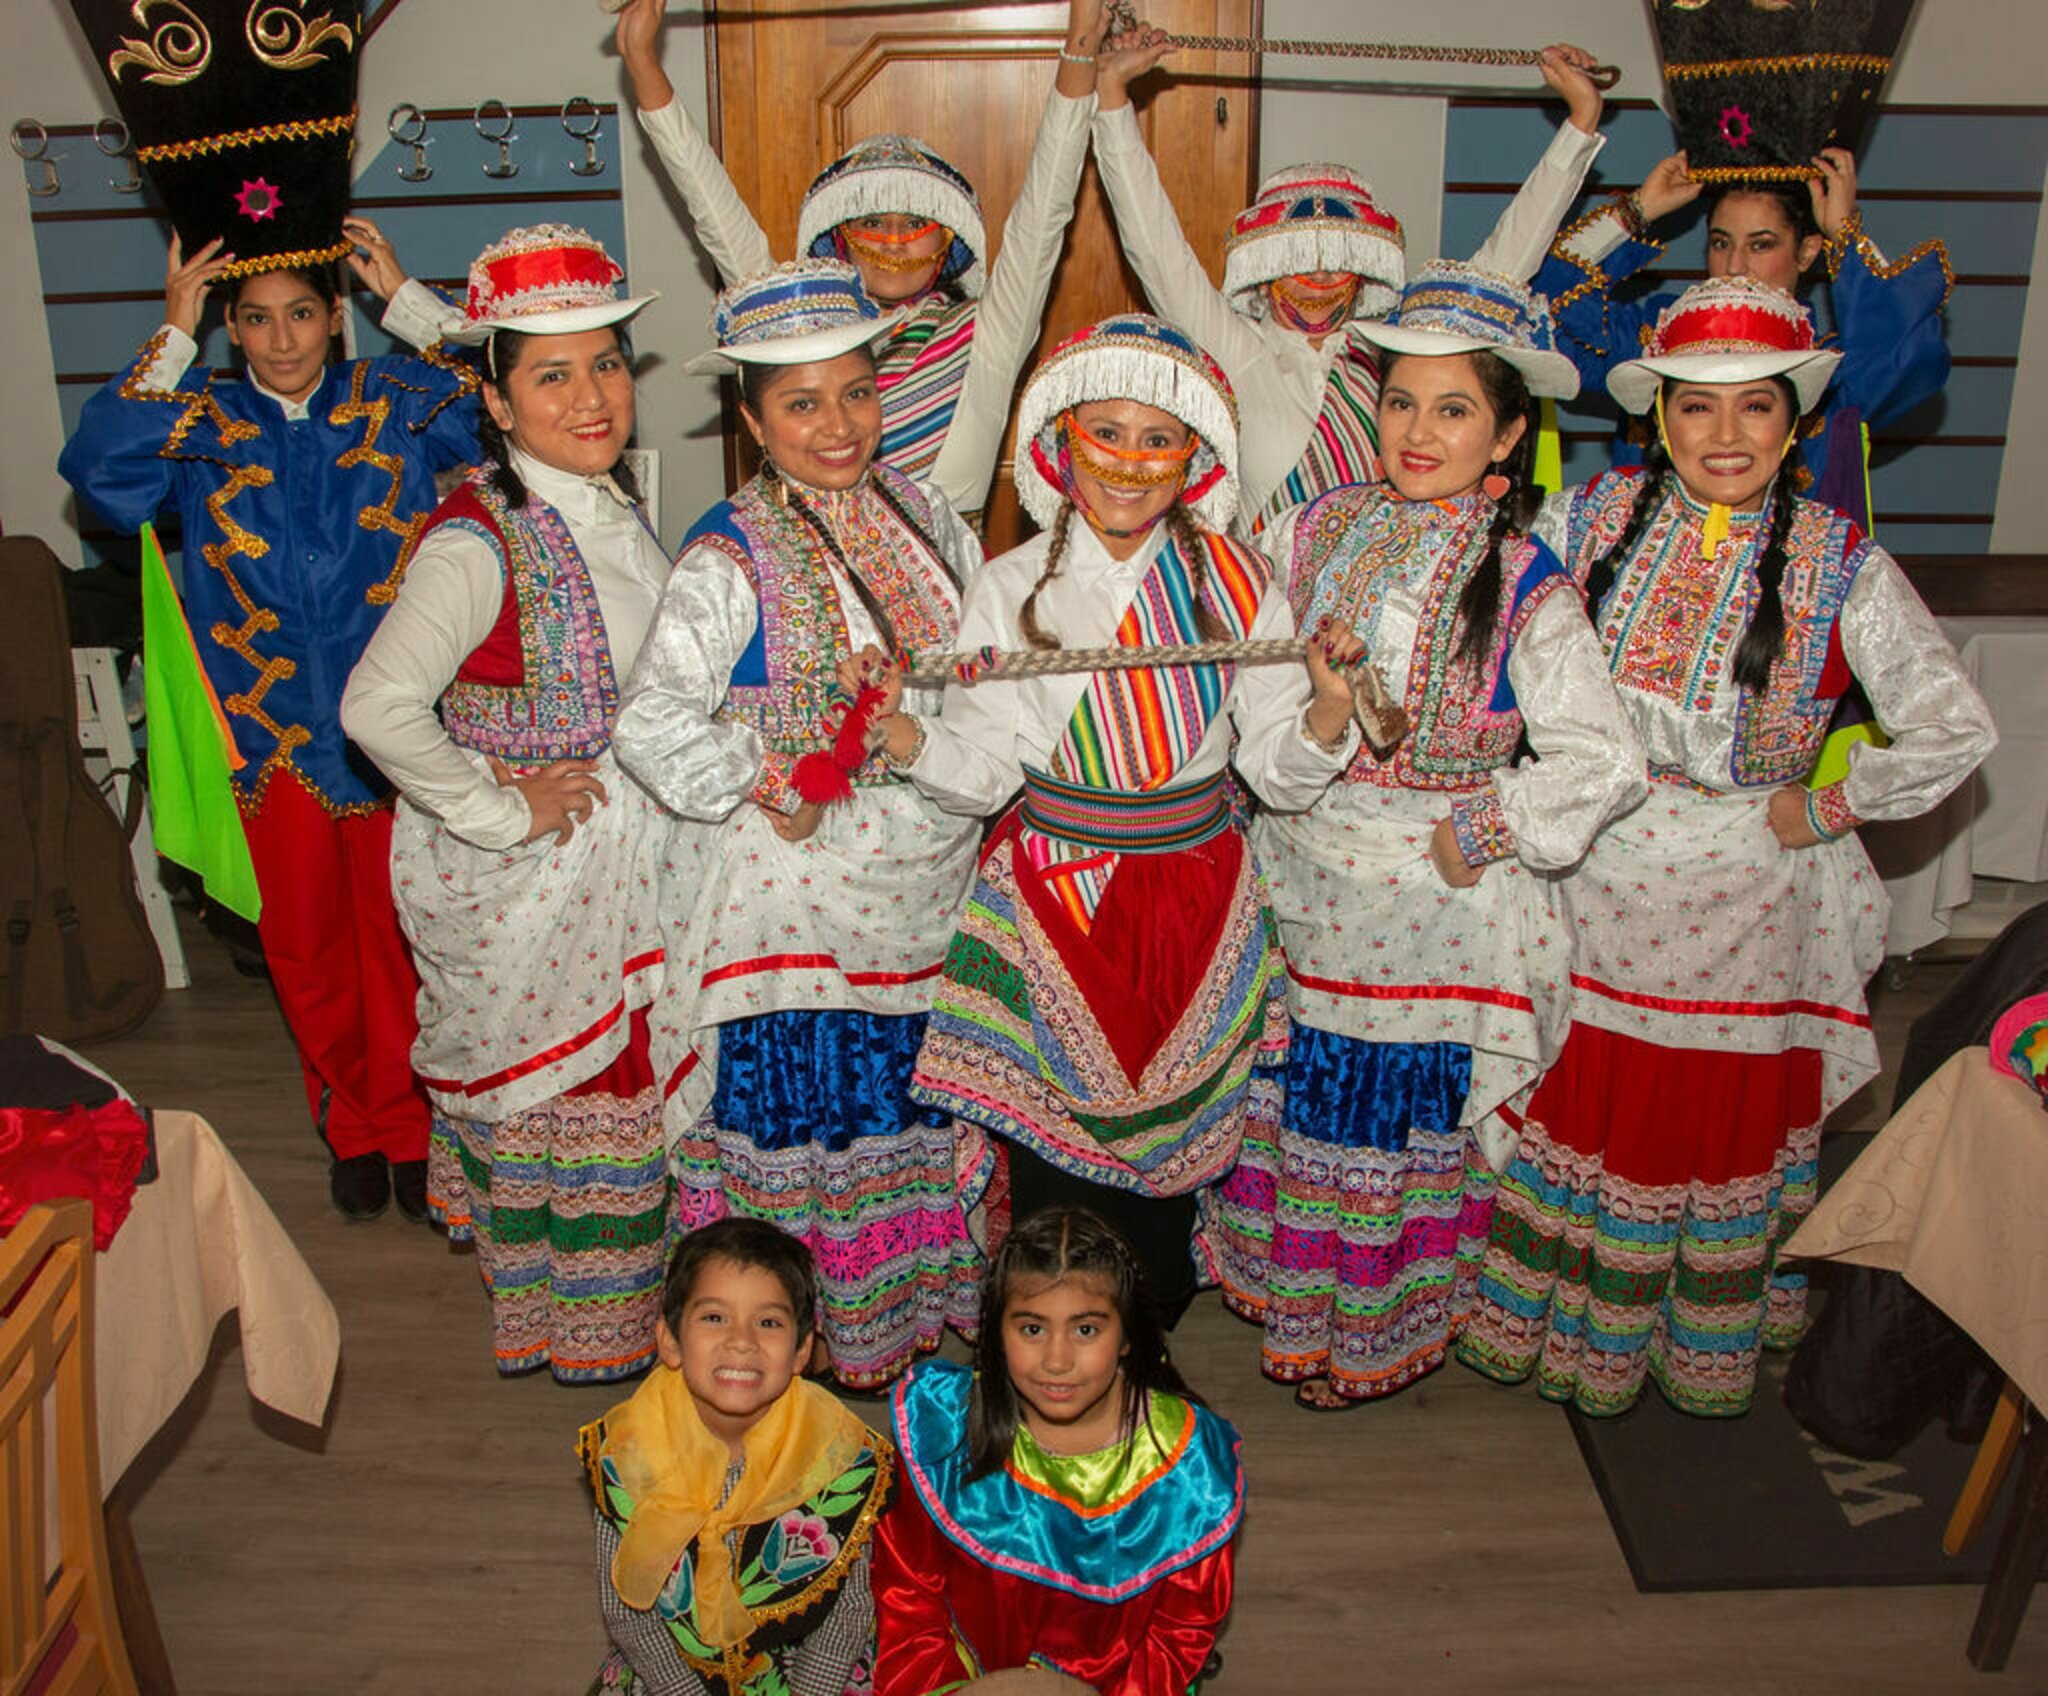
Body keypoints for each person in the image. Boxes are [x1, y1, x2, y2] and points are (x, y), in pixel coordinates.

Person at [1455, 276, 1996, 1419]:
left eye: (1754, 405)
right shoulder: (1588, 520)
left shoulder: (1840, 561)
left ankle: (1682, 1337)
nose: (1723, 434)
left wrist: (1831, 803)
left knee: (1703, 1113)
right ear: (1658, 417)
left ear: (1794, 421)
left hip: (1747, 895)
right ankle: (1556, 1326)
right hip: (1595, 877)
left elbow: (1954, 726)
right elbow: (1484, 630)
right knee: (1582, 1091)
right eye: (1695, 406)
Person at [849, 313, 1362, 1320]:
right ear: (1062, 442)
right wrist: (906, 739)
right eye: (1108, 434)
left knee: (1170, 1156)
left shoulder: (1240, 584)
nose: (1129, 463)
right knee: (1052, 1160)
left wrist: (1327, 715)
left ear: (1194, 457)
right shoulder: (1007, 585)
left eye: (1157, 438)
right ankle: (1050, 1336)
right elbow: (984, 773)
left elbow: (1276, 770)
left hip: (1192, 899)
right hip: (1055, 898)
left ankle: (1142, 1337)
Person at [1210, 263, 1644, 1409]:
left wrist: (1486, 825)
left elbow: (1605, 758)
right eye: (1399, 401)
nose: (1416, 431)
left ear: (1505, 435)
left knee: (1383, 1117)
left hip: (1429, 908)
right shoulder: (1307, 530)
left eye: (1452, 410)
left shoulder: (1523, 579)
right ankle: (1290, 1307)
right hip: (1301, 874)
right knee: (1299, 1098)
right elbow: (1243, 691)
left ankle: (1364, 1337)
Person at [611, 261, 986, 1392]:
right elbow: (651, 721)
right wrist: (776, 774)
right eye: (802, 403)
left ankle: (894, 1328)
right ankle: (779, 1355)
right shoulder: (729, 552)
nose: (838, 425)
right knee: (810, 1122)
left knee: (905, 1110)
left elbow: (977, 673)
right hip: (792, 914)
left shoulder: (927, 515)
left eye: (856, 393)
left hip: (922, 885)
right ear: (752, 420)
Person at [59, 217, 481, 1223]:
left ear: (336, 316)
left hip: (394, 733)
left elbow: (501, 399)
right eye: (255, 319)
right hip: (270, 740)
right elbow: (100, 471)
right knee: (306, 949)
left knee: (407, 943)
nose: (281, 338)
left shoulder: (395, 399)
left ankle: (416, 1129)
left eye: (301, 313)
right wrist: (172, 333)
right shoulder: (198, 421)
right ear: (231, 329)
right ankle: (354, 1127)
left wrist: (408, 302)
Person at [341, 224, 674, 1383]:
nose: (591, 397)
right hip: (541, 891)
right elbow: (377, 706)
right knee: (577, 1097)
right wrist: (498, 811)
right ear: (495, 399)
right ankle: (588, 1329)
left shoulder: (606, 498)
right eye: (553, 375)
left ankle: (645, 1322)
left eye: (607, 364)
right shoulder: (475, 539)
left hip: (626, 875)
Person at [1091, 27, 1612, 531]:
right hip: (1264, 587)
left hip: (1390, 575)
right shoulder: (1232, 348)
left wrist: (1580, 123)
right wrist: (1112, 97)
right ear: (1263, 270)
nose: (1319, 274)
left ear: (1366, 268)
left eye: (1338, 258)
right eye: (1300, 258)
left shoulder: (1395, 349)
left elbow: (1504, 262)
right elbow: (1154, 246)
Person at [613, 0, 1105, 517]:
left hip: (951, 566)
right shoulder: (804, 329)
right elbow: (717, 218)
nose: (893, 242)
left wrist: (1080, 46)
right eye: (872, 222)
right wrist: (644, 65)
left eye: (915, 225)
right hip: (806, 560)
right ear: (839, 238)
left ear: (948, 242)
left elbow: (1044, 213)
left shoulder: (989, 334)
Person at [873, 1207, 1241, 1694]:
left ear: (1126, 1336)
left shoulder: (1189, 1470)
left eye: (1086, 1330)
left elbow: (1179, 1631)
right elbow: (908, 1592)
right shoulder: (943, 1433)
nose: (1057, 1360)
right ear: (997, 1335)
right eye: (1032, 1329)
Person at [1535, 147, 1951, 531]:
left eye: (1761, 245)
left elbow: (1908, 356)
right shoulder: (1659, 340)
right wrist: (1637, 210)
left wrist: (1844, 232)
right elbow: (1540, 313)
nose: (1735, 265)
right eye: (1721, 243)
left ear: (1807, 252)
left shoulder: (1827, 368)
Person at [579, 1217, 893, 1695]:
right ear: (670, 1340)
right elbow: (628, 1615)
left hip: (802, 1667)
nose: (741, 1341)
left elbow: (847, 1615)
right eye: (714, 1317)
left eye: (768, 1323)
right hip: (671, 1670)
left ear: (802, 1351)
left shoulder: (840, 1457)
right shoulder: (628, 1453)